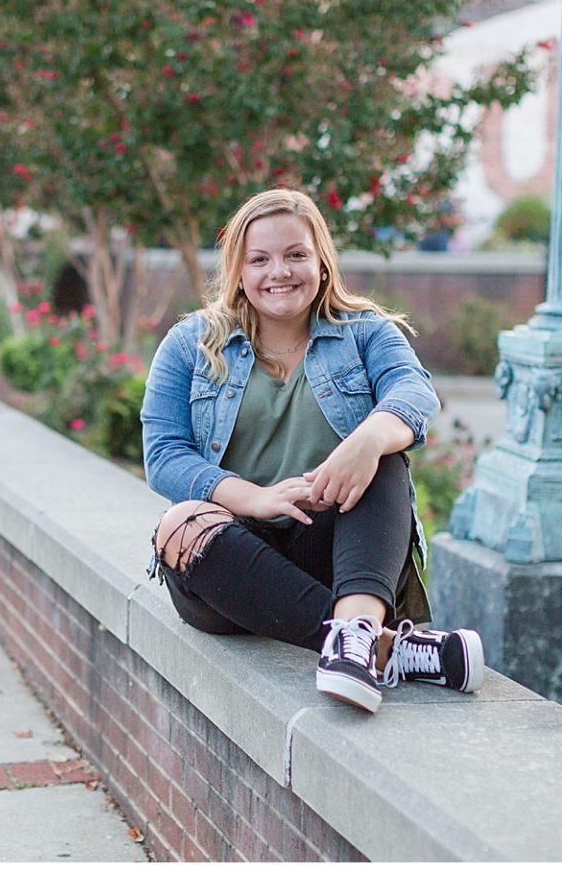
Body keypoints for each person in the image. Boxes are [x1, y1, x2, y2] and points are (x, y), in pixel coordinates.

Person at [140, 188, 484, 713]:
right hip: (232, 563)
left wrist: (367, 440)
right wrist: (254, 499)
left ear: (322, 262)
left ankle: (355, 633)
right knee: (178, 525)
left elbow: (414, 393)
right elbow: (164, 454)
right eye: (259, 259)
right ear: (238, 271)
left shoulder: (366, 332)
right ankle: (380, 646)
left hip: (338, 556)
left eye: (295, 254)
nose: (279, 272)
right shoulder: (191, 343)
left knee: (383, 459)